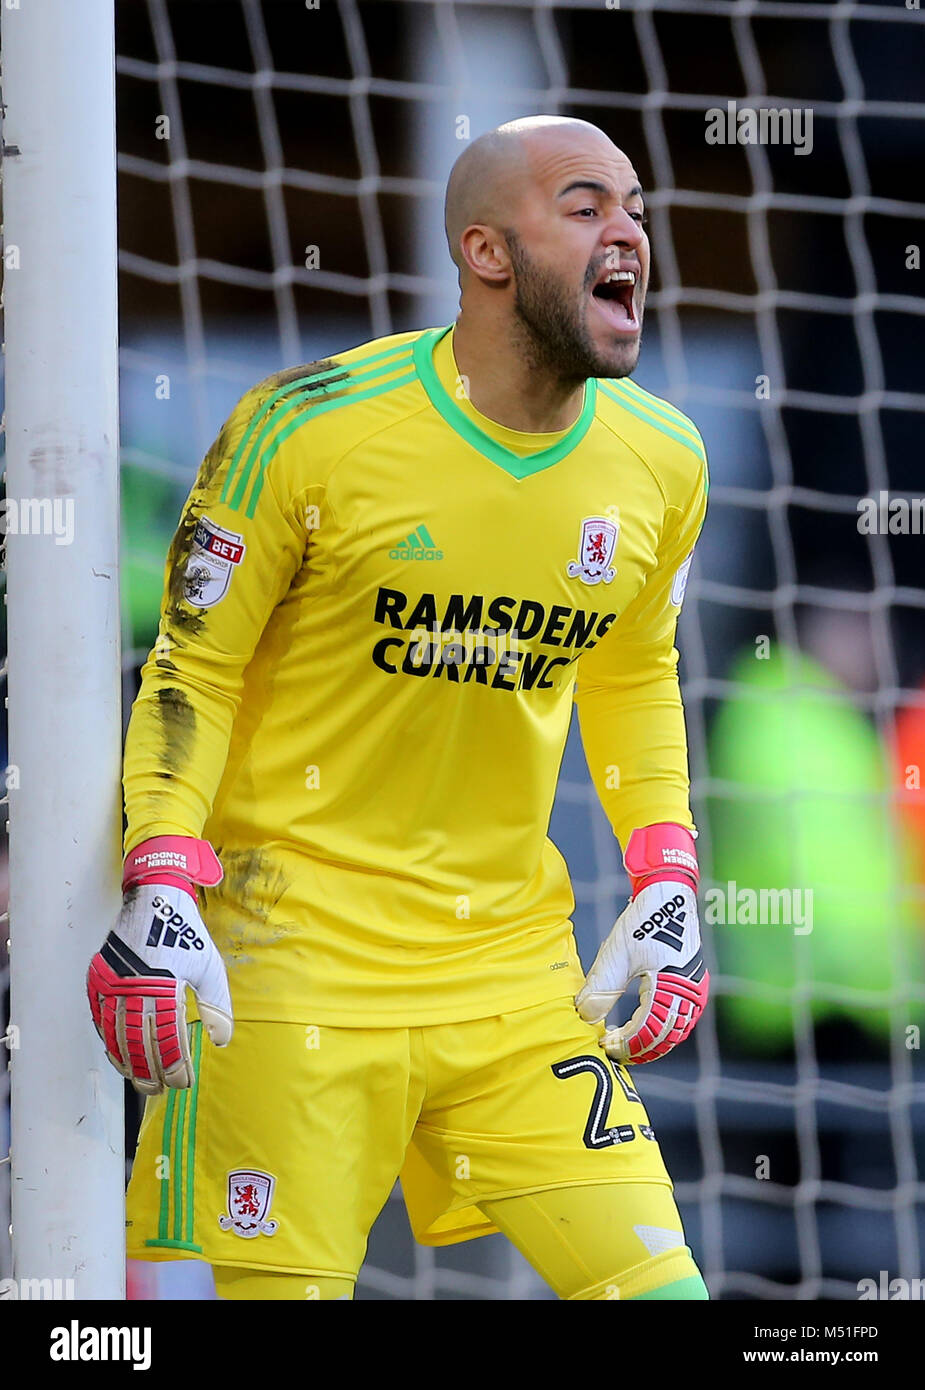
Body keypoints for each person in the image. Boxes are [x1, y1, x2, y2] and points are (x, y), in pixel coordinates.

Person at [87, 115, 711, 1302]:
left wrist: (667, 866)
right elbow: (192, 666)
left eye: (635, 207)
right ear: (487, 251)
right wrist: (162, 872)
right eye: (586, 207)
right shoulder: (308, 428)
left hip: (515, 971)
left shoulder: (663, 459)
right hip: (288, 967)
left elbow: (634, 669)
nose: (628, 230)